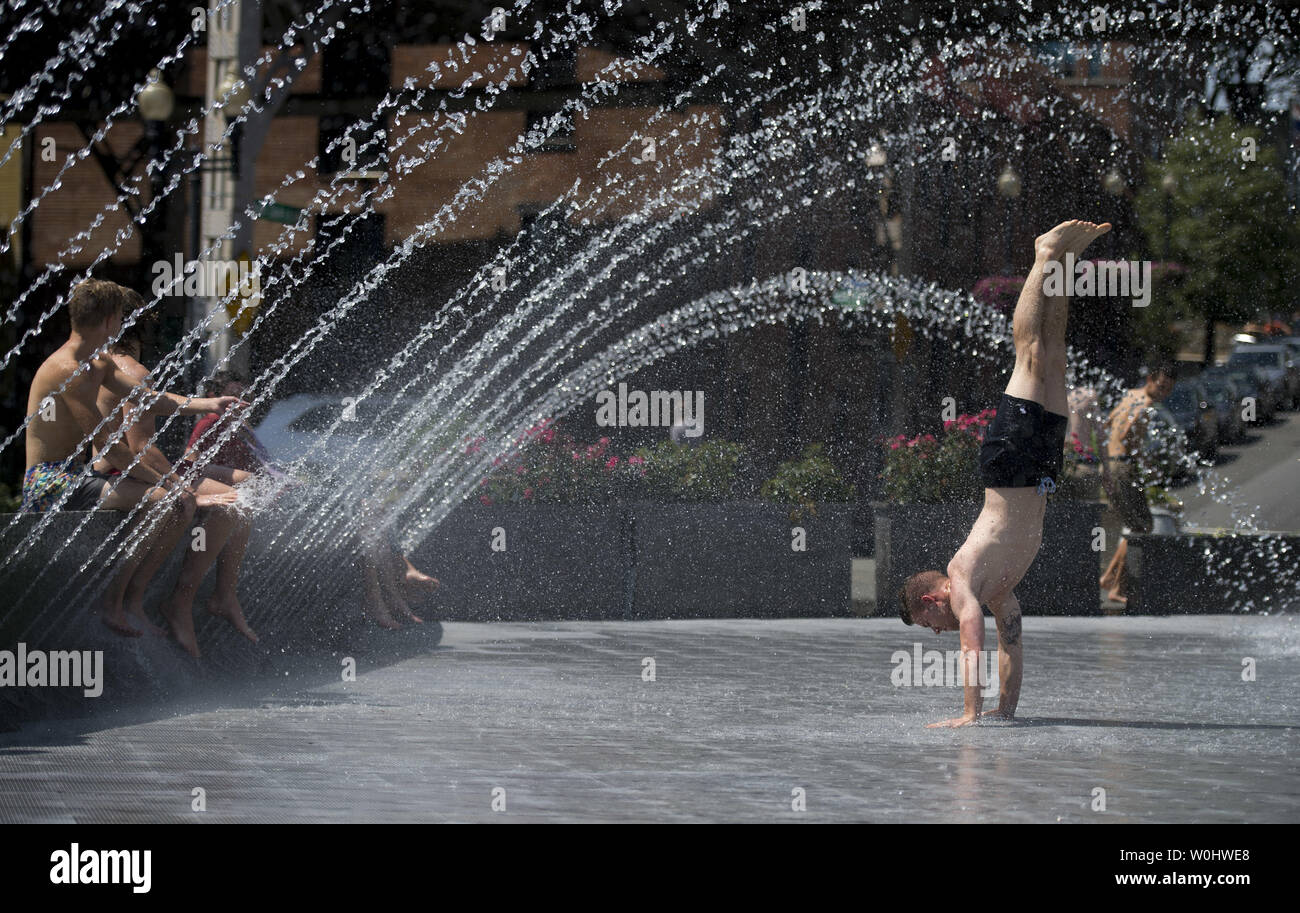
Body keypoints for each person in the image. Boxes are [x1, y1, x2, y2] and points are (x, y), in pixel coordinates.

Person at [897, 219, 1111, 728]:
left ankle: (1043, 255)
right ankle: (1064, 266)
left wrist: (969, 714)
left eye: (929, 625)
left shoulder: (963, 580)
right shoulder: (999, 591)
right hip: (1037, 477)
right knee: (1054, 360)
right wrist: (1004, 711)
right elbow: (1010, 645)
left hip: (1010, 465)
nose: (937, 632)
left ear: (931, 601)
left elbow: (973, 645)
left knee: (1031, 354)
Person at [21, 278, 243, 642]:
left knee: (177, 501)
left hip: (76, 477)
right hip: (49, 483)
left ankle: (133, 598)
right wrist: (171, 483)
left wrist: (208, 405)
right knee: (170, 501)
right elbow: (109, 445)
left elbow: (151, 399)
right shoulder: (67, 369)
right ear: (111, 320)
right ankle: (115, 601)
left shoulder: (98, 362)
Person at [186, 373, 438, 628]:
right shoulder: (211, 423)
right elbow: (190, 465)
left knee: (366, 508)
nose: (242, 402)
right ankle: (381, 597)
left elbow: (266, 468)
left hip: (280, 493)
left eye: (246, 396)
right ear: (213, 398)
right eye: (235, 396)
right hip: (268, 503)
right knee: (361, 512)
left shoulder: (242, 427)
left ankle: (391, 592)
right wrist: (241, 476)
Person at [92, 319, 258, 652]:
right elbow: (142, 449)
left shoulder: (103, 367)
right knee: (232, 503)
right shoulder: (133, 372)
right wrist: (184, 489)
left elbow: (161, 411)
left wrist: (209, 404)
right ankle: (179, 601)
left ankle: (222, 596)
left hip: (124, 470)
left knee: (243, 493)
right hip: (128, 473)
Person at [1097, 362, 1175, 605]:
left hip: (1109, 465)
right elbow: (1126, 435)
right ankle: (1116, 586)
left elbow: (1108, 423)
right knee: (1141, 527)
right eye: (1161, 387)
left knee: (1138, 524)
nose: (1163, 393)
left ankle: (1110, 577)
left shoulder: (1131, 395)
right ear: (1150, 379)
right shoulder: (1146, 406)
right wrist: (1145, 461)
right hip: (1122, 468)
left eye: (1168, 390)